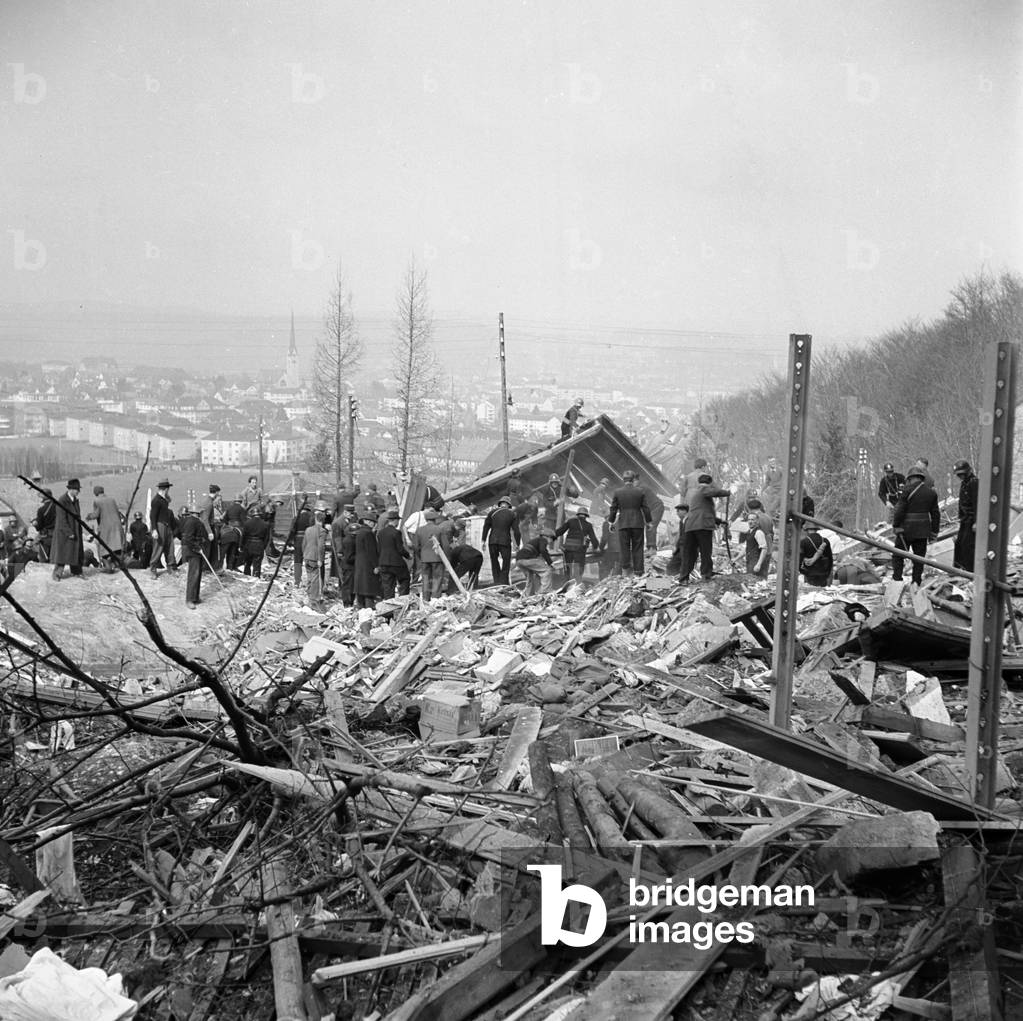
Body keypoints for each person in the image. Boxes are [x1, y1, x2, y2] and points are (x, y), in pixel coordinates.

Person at [892, 466, 940, 585]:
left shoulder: (906, 491)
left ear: (910, 478)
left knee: (898, 556)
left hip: (906, 531)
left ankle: (897, 580)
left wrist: (896, 525)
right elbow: (935, 514)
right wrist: (934, 532)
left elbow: (899, 510)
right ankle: (916, 582)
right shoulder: (931, 493)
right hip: (923, 531)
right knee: (919, 559)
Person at [679, 473, 730, 583]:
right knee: (705, 551)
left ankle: (684, 578)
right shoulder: (704, 489)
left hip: (690, 526)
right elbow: (712, 492)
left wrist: (720, 521)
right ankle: (706, 575)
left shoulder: (696, 495)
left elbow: (704, 512)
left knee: (690, 553)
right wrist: (726, 492)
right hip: (702, 527)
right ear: (709, 484)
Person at [608, 470, 652, 576]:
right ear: (633, 480)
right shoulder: (640, 491)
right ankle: (638, 572)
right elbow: (646, 508)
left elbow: (613, 508)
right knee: (638, 547)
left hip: (623, 523)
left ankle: (626, 570)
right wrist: (649, 522)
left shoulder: (617, 492)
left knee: (624, 547)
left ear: (623, 480)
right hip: (637, 523)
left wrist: (611, 522)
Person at [180, 504, 214, 609]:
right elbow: (188, 538)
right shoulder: (191, 521)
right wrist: (196, 548)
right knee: (193, 575)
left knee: (198, 574)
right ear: (196, 513)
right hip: (193, 551)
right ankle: (189, 599)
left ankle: (195, 597)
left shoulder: (195, 521)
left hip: (197, 550)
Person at [51, 479, 85, 581]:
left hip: (75, 530)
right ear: (70, 489)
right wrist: (68, 532)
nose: (78, 491)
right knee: (63, 554)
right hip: (64, 532)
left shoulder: (74, 500)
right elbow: (61, 519)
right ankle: (57, 574)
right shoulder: (62, 500)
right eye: (76, 489)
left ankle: (77, 572)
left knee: (75, 553)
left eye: (78, 489)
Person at [482, 497, 521, 585]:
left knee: (494, 561)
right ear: (508, 505)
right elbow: (517, 531)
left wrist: (483, 540)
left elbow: (486, 527)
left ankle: (496, 583)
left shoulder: (492, 513)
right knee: (506, 562)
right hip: (505, 541)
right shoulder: (512, 514)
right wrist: (518, 544)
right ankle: (504, 584)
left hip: (492, 541)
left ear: (500, 504)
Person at [554, 506, 599, 581]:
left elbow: (559, 532)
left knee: (567, 568)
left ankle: (567, 583)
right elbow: (593, 538)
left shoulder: (571, 521)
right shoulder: (588, 525)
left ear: (578, 514)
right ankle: (577, 583)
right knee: (579, 569)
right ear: (586, 516)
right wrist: (596, 547)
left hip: (568, 549)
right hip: (579, 550)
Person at [87, 485, 125, 572]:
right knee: (116, 547)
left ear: (96, 492)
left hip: (105, 528)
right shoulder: (112, 499)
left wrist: (89, 516)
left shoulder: (97, 501)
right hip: (117, 527)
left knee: (104, 548)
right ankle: (118, 566)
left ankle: (107, 567)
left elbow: (96, 514)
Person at [416, 509, 449, 602]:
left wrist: (421, 556)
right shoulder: (439, 529)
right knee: (437, 578)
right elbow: (445, 546)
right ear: (435, 519)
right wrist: (446, 559)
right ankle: (435, 598)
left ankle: (426, 599)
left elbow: (416, 546)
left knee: (426, 579)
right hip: (437, 558)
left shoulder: (419, 530)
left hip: (424, 559)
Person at [377, 509, 411, 598]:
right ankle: (403, 600)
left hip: (383, 562)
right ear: (395, 520)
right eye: (398, 520)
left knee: (388, 586)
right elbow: (400, 549)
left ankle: (389, 605)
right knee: (405, 579)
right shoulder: (396, 533)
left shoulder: (380, 533)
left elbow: (379, 548)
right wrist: (408, 556)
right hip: (396, 563)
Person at [952, 459, 978, 571]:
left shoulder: (974, 483)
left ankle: (969, 570)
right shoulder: (965, 483)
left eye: (961, 474)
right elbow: (962, 503)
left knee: (968, 545)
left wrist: (977, 521)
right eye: (959, 475)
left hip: (971, 520)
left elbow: (977, 502)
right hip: (965, 519)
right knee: (959, 543)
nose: (960, 476)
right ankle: (959, 567)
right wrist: (960, 518)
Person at [302, 502, 328, 609]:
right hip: (315, 558)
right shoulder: (322, 531)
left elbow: (303, 543)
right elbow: (321, 546)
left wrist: (304, 554)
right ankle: (315, 601)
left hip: (307, 557)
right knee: (316, 580)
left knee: (309, 578)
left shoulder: (308, 529)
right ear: (322, 520)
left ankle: (309, 598)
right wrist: (320, 559)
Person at [149, 479, 177, 575]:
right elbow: (152, 516)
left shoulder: (163, 499)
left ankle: (171, 567)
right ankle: (153, 568)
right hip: (160, 525)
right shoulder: (156, 500)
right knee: (158, 547)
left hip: (167, 525)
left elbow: (169, 499)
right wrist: (154, 530)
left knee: (170, 547)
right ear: (166, 489)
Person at [515, 528, 555, 594]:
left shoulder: (535, 541)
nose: (551, 542)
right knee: (547, 570)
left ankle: (527, 595)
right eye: (552, 539)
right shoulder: (543, 539)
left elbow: (540, 555)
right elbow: (543, 550)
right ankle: (545, 591)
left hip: (519, 561)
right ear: (548, 536)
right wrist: (550, 563)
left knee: (529, 578)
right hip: (527, 559)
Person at [799, 522, 834, 587]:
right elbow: (830, 559)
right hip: (823, 573)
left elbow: (800, 559)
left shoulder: (804, 542)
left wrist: (803, 572)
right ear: (817, 529)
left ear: (807, 530)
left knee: (810, 593)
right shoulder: (825, 541)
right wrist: (827, 572)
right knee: (821, 594)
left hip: (809, 573)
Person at [291, 494, 315, 585]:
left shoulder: (296, 518)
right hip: (308, 541)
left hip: (298, 541)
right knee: (309, 560)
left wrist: (291, 542)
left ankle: (297, 581)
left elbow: (292, 531)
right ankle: (310, 580)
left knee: (297, 561)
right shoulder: (311, 518)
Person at [240, 504, 270, 578]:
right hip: (259, 544)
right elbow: (267, 538)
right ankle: (256, 577)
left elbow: (244, 536)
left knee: (247, 563)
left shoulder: (247, 523)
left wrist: (242, 546)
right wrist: (263, 546)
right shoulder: (265, 524)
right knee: (257, 564)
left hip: (249, 544)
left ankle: (246, 577)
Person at [199, 484, 224, 569]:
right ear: (216, 492)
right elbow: (205, 519)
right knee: (207, 549)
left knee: (210, 549)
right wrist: (210, 532)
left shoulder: (206, 500)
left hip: (206, 526)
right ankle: (205, 568)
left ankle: (208, 567)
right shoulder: (209, 503)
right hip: (206, 528)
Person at [745, 510, 771, 578]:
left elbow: (764, 549)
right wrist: (736, 559)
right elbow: (746, 548)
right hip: (750, 561)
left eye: (753, 520)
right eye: (749, 520)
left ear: (757, 521)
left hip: (755, 562)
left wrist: (758, 564)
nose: (750, 522)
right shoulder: (749, 532)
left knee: (755, 583)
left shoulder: (758, 532)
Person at [33, 487, 56, 562]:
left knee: (43, 560)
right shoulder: (58, 506)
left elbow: (39, 527)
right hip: (58, 536)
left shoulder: (41, 510)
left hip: (46, 538)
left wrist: (35, 524)